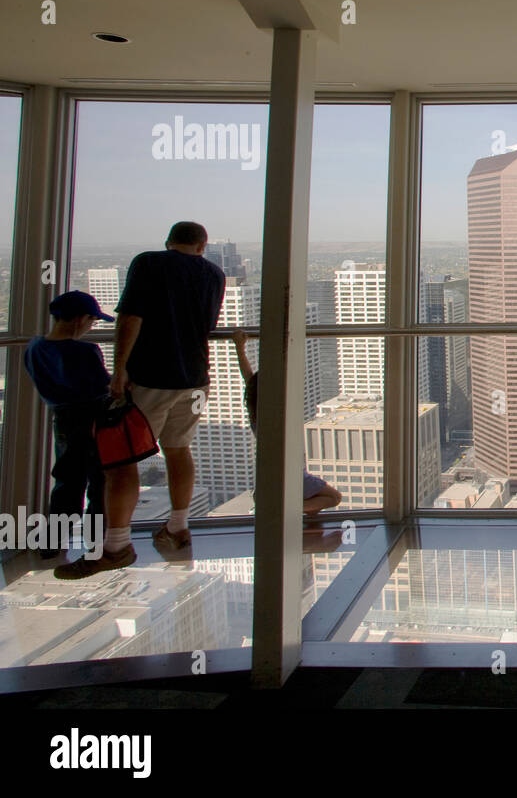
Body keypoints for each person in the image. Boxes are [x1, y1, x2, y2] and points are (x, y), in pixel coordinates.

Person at [56, 221, 226, 579]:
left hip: (152, 377)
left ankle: (116, 547)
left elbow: (131, 317)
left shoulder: (149, 262)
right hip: (195, 378)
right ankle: (177, 527)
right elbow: (205, 324)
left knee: (122, 461)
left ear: (169, 242)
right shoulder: (214, 274)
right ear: (202, 246)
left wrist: (120, 368)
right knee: (179, 450)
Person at [23, 291, 114, 559]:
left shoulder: (35, 347)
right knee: (99, 482)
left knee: (67, 481)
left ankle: (52, 542)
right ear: (79, 319)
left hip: (62, 418)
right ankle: (97, 542)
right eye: (92, 320)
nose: (91, 326)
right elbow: (103, 386)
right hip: (93, 421)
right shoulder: (85, 351)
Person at [231, 329, 342, 515]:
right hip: (289, 475)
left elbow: (248, 377)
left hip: (274, 477)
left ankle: (287, 511)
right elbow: (249, 377)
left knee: (317, 507)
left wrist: (239, 349)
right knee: (334, 498)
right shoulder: (278, 412)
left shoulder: (258, 414)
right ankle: (286, 511)